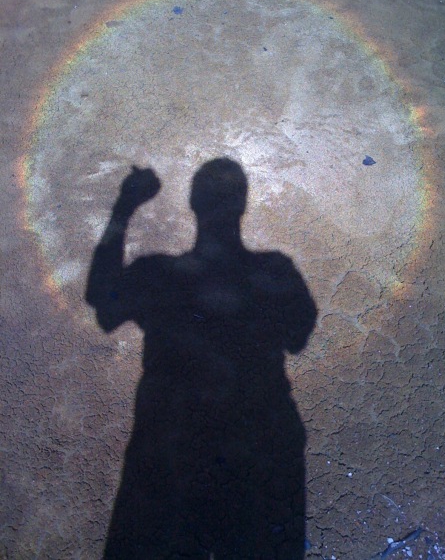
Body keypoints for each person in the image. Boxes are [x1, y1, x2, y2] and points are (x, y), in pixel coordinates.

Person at [86, 157, 317, 559]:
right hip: (259, 455)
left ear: (193, 203)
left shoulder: (158, 276)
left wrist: (125, 206)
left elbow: (102, 301)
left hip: (169, 455)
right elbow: (298, 335)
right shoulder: (275, 272)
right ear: (243, 205)